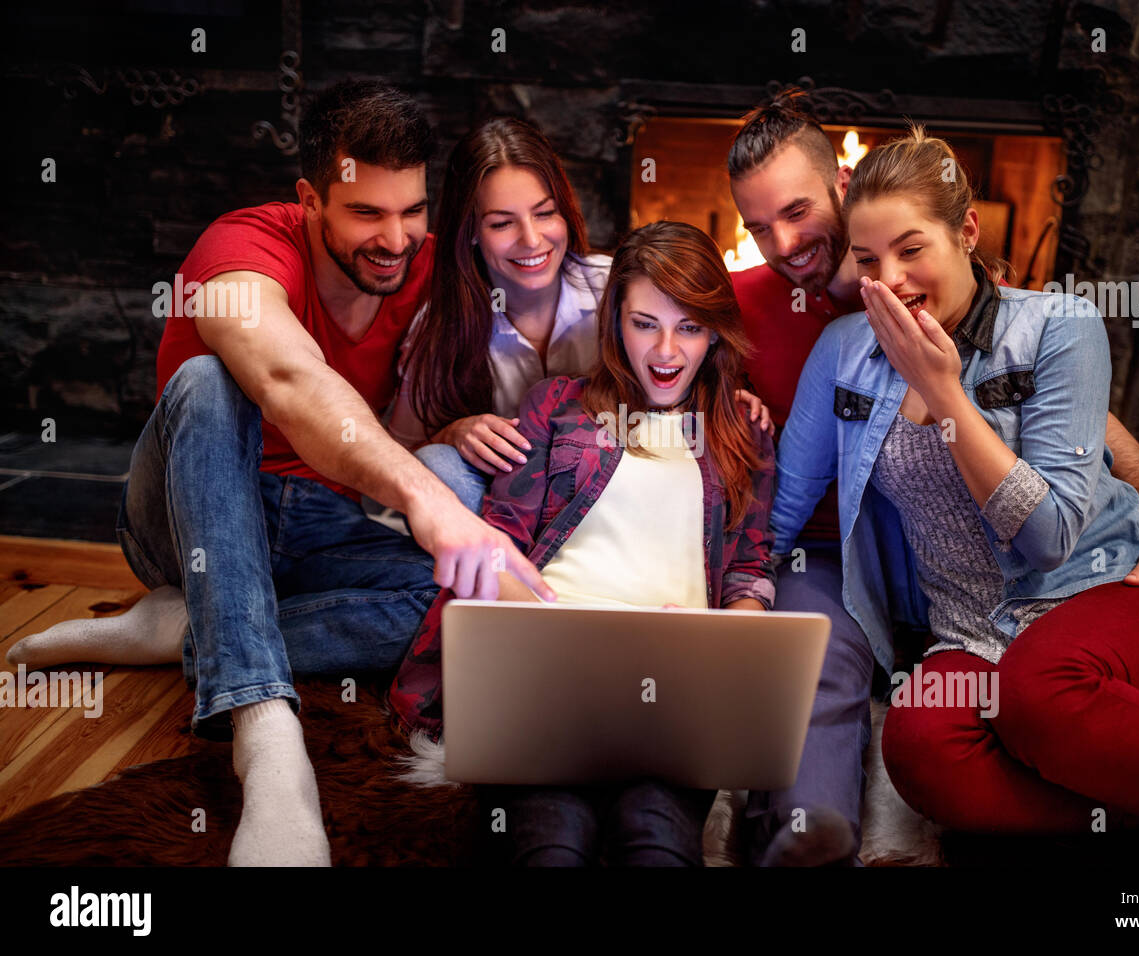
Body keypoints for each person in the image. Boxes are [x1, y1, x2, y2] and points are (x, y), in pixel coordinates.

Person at [726, 89, 1139, 864]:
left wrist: (945, 395)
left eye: (910, 249)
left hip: (1088, 591)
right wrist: (710, 593)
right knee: (920, 741)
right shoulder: (843, 344)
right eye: (869, 261)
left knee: (1047, 691)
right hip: (963, 625)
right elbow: (782, 506)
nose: (889, 278)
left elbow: (1052, 534)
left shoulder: (1056, 326)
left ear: (965, 232)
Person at [6, 80, 551, 866]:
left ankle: (193, 630)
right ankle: (267, 743)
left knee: (460, 601)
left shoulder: (427, 267)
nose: (395, 239)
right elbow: (293, 385)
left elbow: (561, 283)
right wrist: (426, 498)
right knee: (209, 379)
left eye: (412, 211)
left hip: (316, 528)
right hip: (192, 518)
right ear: (310, 199)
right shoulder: (241, 249)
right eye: (366, 213)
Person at [388, 220, 777, 866]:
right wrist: (558, 632)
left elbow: (748, 569)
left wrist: (723, 647)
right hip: (548, 672)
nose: (667, 350)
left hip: (675, 690)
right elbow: (497, 546)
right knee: (552, 841)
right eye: (645, 322)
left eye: (690, 327)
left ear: (715, 332)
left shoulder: (745, 434)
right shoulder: (555, 407)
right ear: (614, 321)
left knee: (655, 839)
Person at [387, 117, 769, 513]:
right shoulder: (442, 327)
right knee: (438, 465)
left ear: (565, 212)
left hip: (617, 499)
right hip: (512, 513)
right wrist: (451, 433)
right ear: (470, 231)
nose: (532, 240)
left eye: (544, 213)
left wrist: (724, 395)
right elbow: (397, 458)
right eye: (502, 223)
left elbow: (686, 348)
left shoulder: (617, 290)